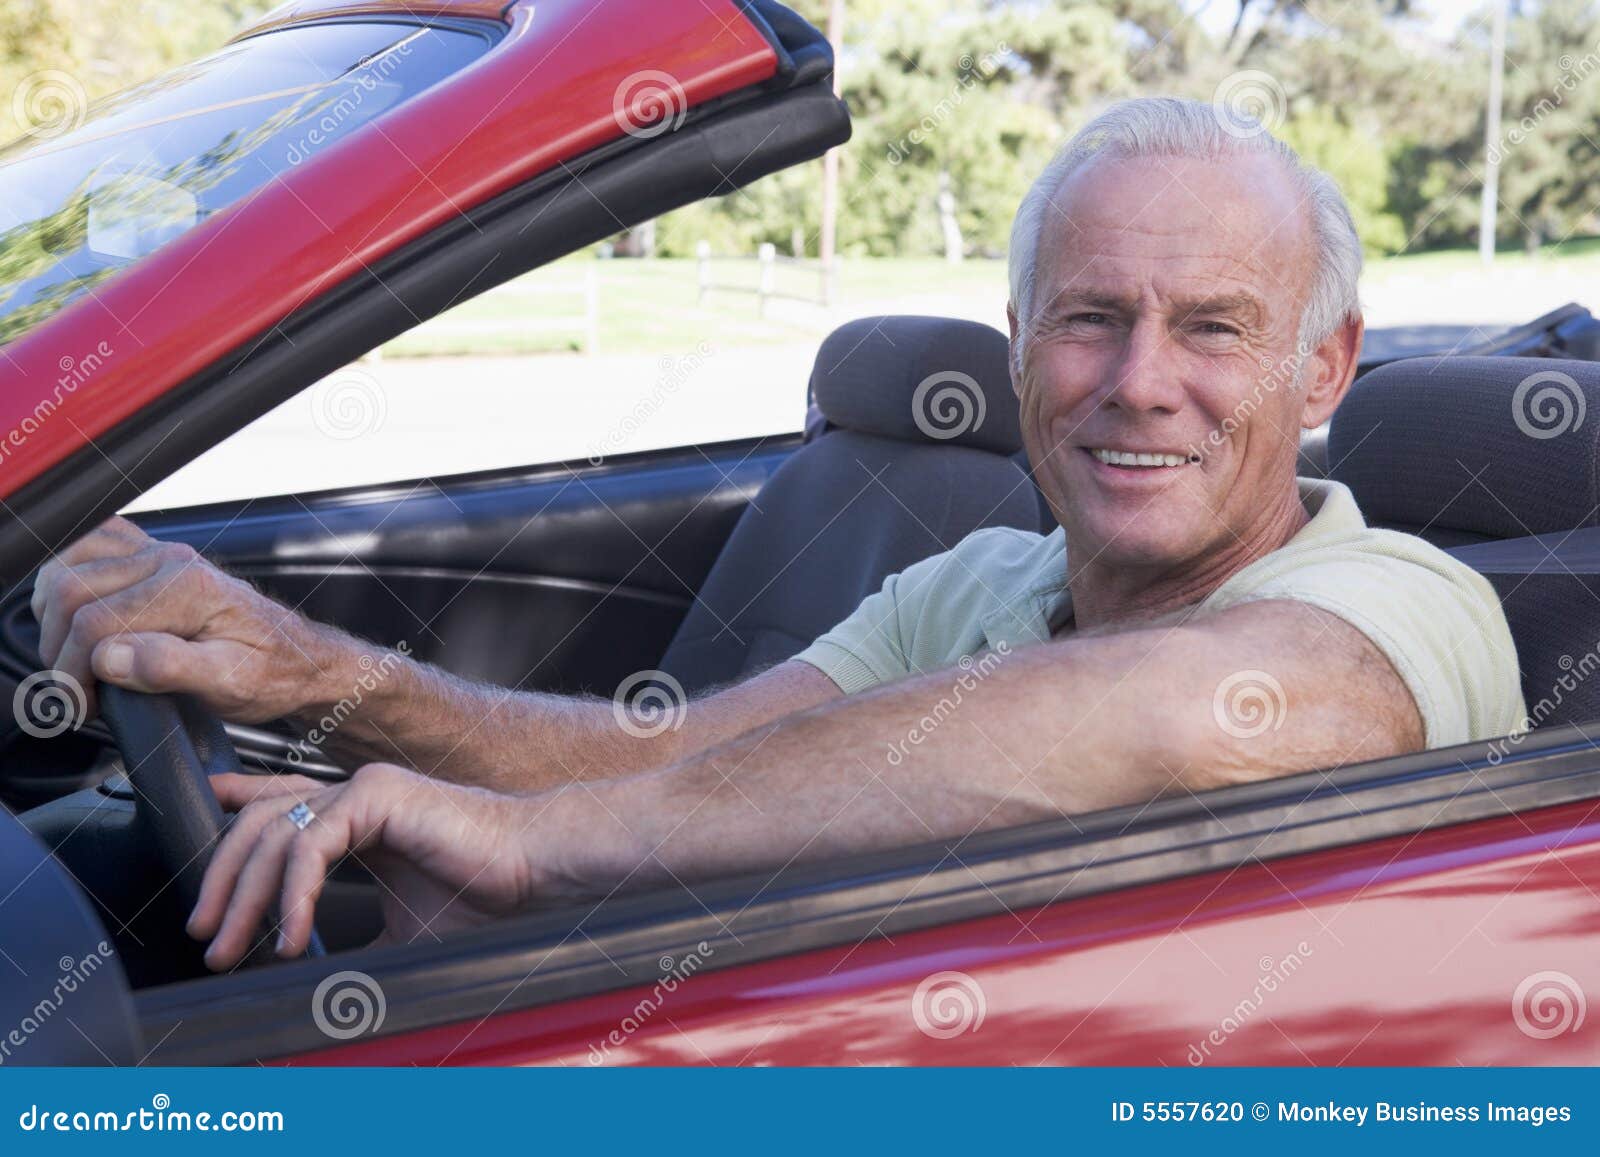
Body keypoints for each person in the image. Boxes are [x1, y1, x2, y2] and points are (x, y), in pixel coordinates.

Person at [30, 98, 1525, 971]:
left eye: (1214, 328)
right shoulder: (981, 583)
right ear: (1018, 341)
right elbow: (671, 759)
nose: (1139, 380)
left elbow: (1191, 714)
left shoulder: (1402, 603)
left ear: (1323, 368)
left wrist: (532, 848)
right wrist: (318, 678)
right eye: (1090, 318)